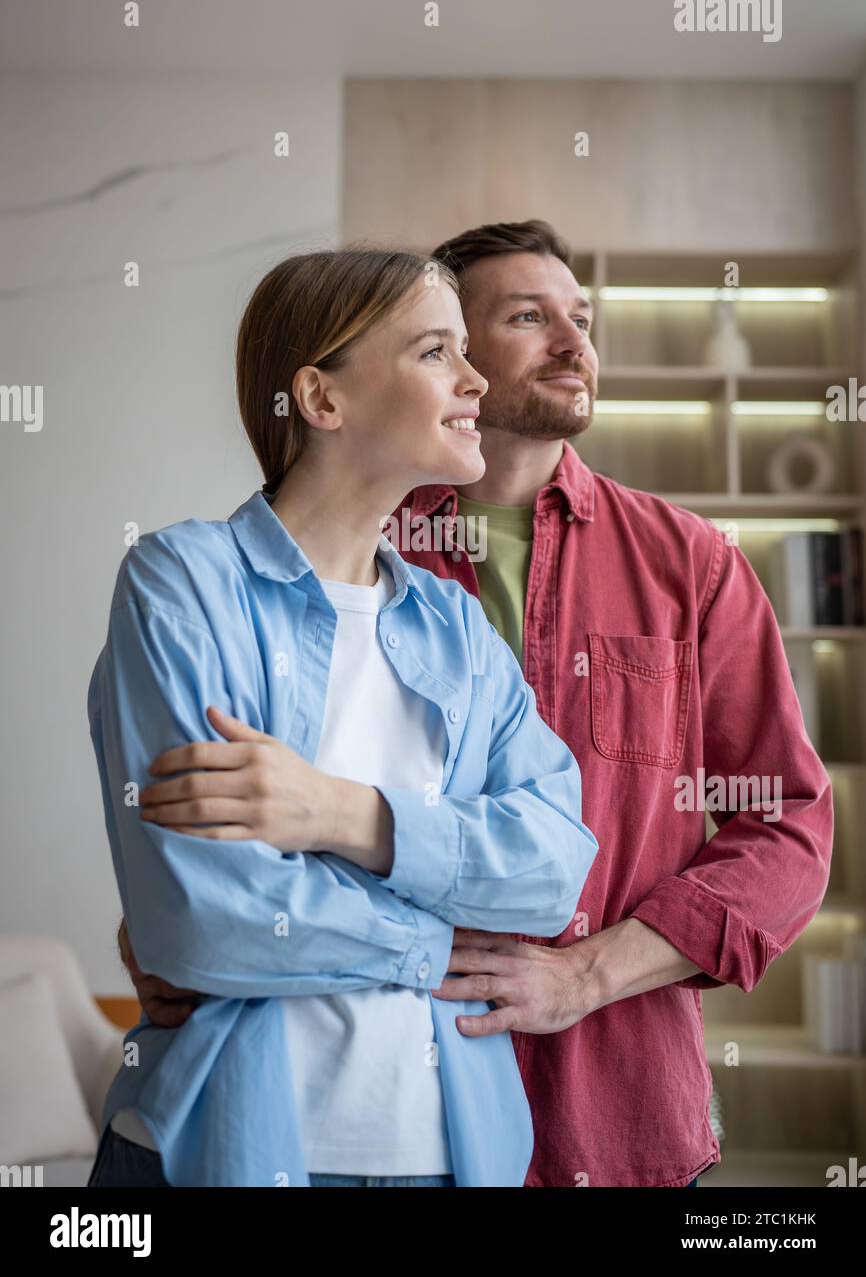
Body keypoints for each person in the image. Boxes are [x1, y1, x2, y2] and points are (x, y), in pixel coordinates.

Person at [122, 220, 833, 1189]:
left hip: (610, 1110)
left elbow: (779, 824)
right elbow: (212, 895)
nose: (574, 344)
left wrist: (585, 970)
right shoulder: (311, 557)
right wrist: (183, 920)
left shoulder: (688, 567)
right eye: (526, 317)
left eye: (581, 318)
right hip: (337, 1116)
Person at [86, 246, 599, 1189]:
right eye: (437, 351)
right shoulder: (183, 585)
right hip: (221, 1151)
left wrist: (341, 816)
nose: (476, 378)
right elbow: (206, 924)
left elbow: (556, 867)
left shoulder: (454, 627)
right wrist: (437, 939)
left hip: (455, 1159)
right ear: (322, 400)